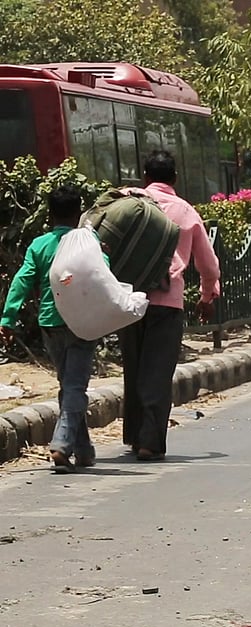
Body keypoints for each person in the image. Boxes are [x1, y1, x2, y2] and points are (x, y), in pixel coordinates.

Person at [120, 150, 220, 462]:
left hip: (126, 300)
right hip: (167, 302)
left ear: (144, 176)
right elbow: (209, 266)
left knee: (134, 369)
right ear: (174, 179)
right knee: (157, 373)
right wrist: (207, 297)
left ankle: (134, 437)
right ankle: (150, 441)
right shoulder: (186, 212)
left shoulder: (125, 201)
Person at [0, 185, 99, 473]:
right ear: (79, 212)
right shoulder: (87, 242)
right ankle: (61, 445)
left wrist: (8, 318)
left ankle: (83, 450)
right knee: (75, 385)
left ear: (50, 214)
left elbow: (21, 280)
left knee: (68, 384)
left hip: (50, 323)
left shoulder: (39, 245)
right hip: (81, 322)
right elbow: (102, 272)